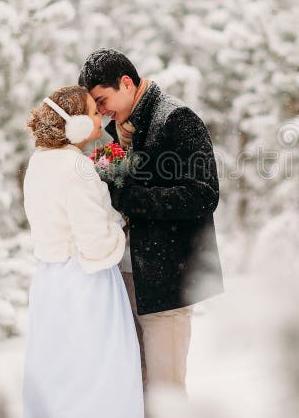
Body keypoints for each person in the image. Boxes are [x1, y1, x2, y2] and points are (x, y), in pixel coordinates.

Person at [78, 48, 225, 405]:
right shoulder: (125, 130)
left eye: (102, 100)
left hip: (166, 281)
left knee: (165, 394)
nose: (101, 112)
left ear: (126, 84)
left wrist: (133, 198)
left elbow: (204, 194)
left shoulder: (178, 120)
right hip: (128, 281)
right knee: (135, 392)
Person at [21, 84, 143, 418]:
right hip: (85, 285)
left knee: (59, 373)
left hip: (50, 282)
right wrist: (119, 230)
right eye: (92, 112)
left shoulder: (39, 163)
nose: (99, 116)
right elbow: (97, 244)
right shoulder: (75, 167)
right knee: (100, 376)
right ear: (73, 124)